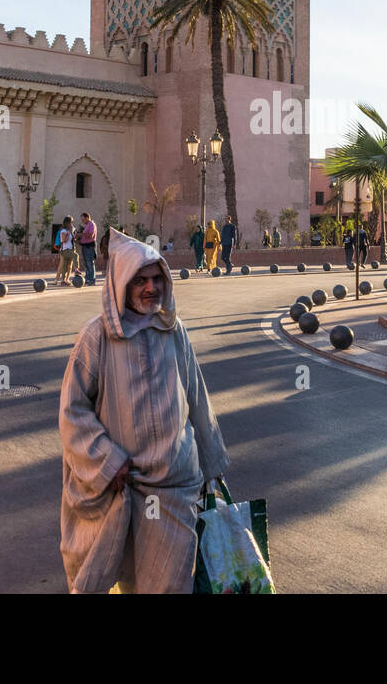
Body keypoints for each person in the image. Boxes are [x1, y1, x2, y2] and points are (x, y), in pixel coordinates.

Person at [59, 229, 229, 593]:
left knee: (170, 585)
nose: (151, 288)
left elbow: (196, 398)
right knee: (110, 579)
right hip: (120, 487)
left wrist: (211, 471)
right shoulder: (97, 337)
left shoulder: (174, 331)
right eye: (140, 280)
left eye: (156, 279)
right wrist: (107, 461)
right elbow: (72, 412)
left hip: (174, 487)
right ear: (121, 283)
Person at [56, 216, 78, 285]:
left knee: (67, 265)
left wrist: (72, 232)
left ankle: (65, 280)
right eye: (70, 222)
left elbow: (74, 239)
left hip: (70, 249)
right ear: (67, 223)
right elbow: (64, 241)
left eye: (72, 222)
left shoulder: (70, 230)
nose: (71, 224)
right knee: (75, 255)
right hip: (65, 250)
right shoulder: (63, 231)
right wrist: (68, 234)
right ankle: (76, 269)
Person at [78, 212, 98, 286]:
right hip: (85, 246)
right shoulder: (87, 225)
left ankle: (92, 280)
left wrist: (80, 234)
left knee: (90, 263)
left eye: (83, 219)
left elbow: (90, 235)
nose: (82, 221)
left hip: (89, 247)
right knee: (86, 264)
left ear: (87, 218)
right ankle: (88, 279)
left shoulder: (91, 224)